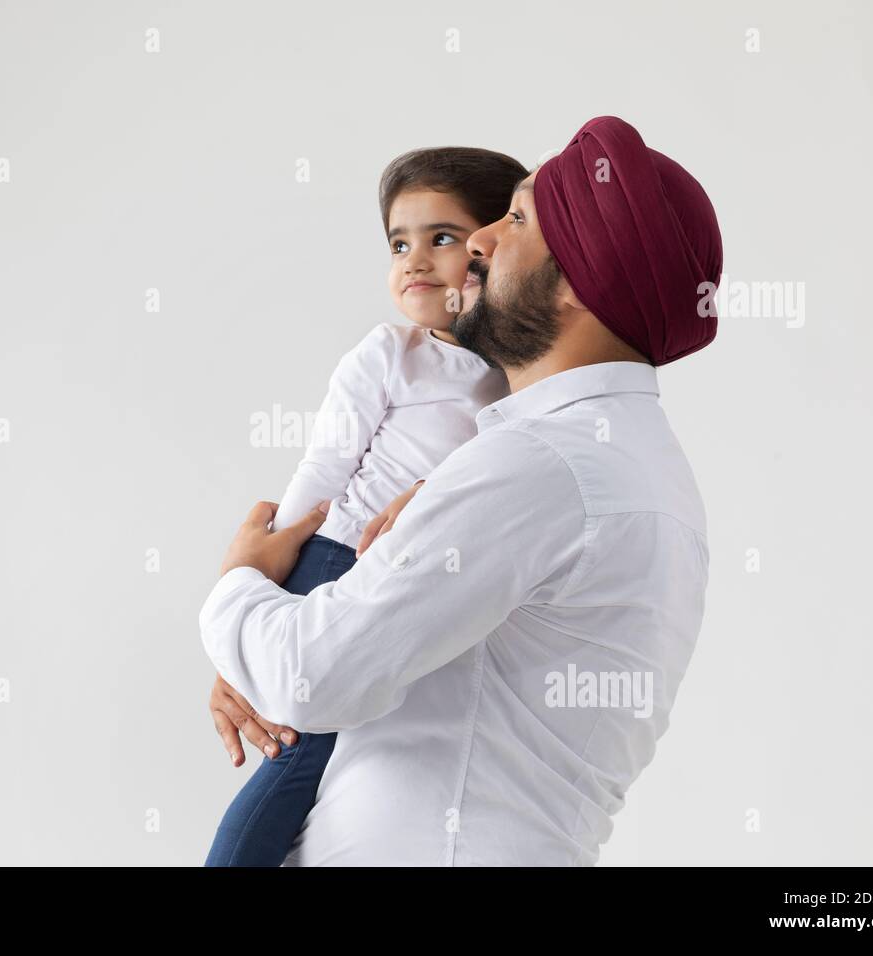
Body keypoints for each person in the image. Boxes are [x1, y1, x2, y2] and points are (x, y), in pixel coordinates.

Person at [201, 116, 724, 865]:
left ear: (578, 281)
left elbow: (308, 674)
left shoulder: (539, 462)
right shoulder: (629, 461)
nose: (480, 241)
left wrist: (238, 583)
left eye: (515, 219)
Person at [205, 146, 526, 867]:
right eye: (399, 244)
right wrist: (258, 582)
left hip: (405, 574)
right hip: (333, 557)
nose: (414, 260)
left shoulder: (515, 382)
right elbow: (326, 462)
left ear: (494, 246)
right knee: (298, 751)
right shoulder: (394, 352)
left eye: (441, 238)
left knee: (345, 760)